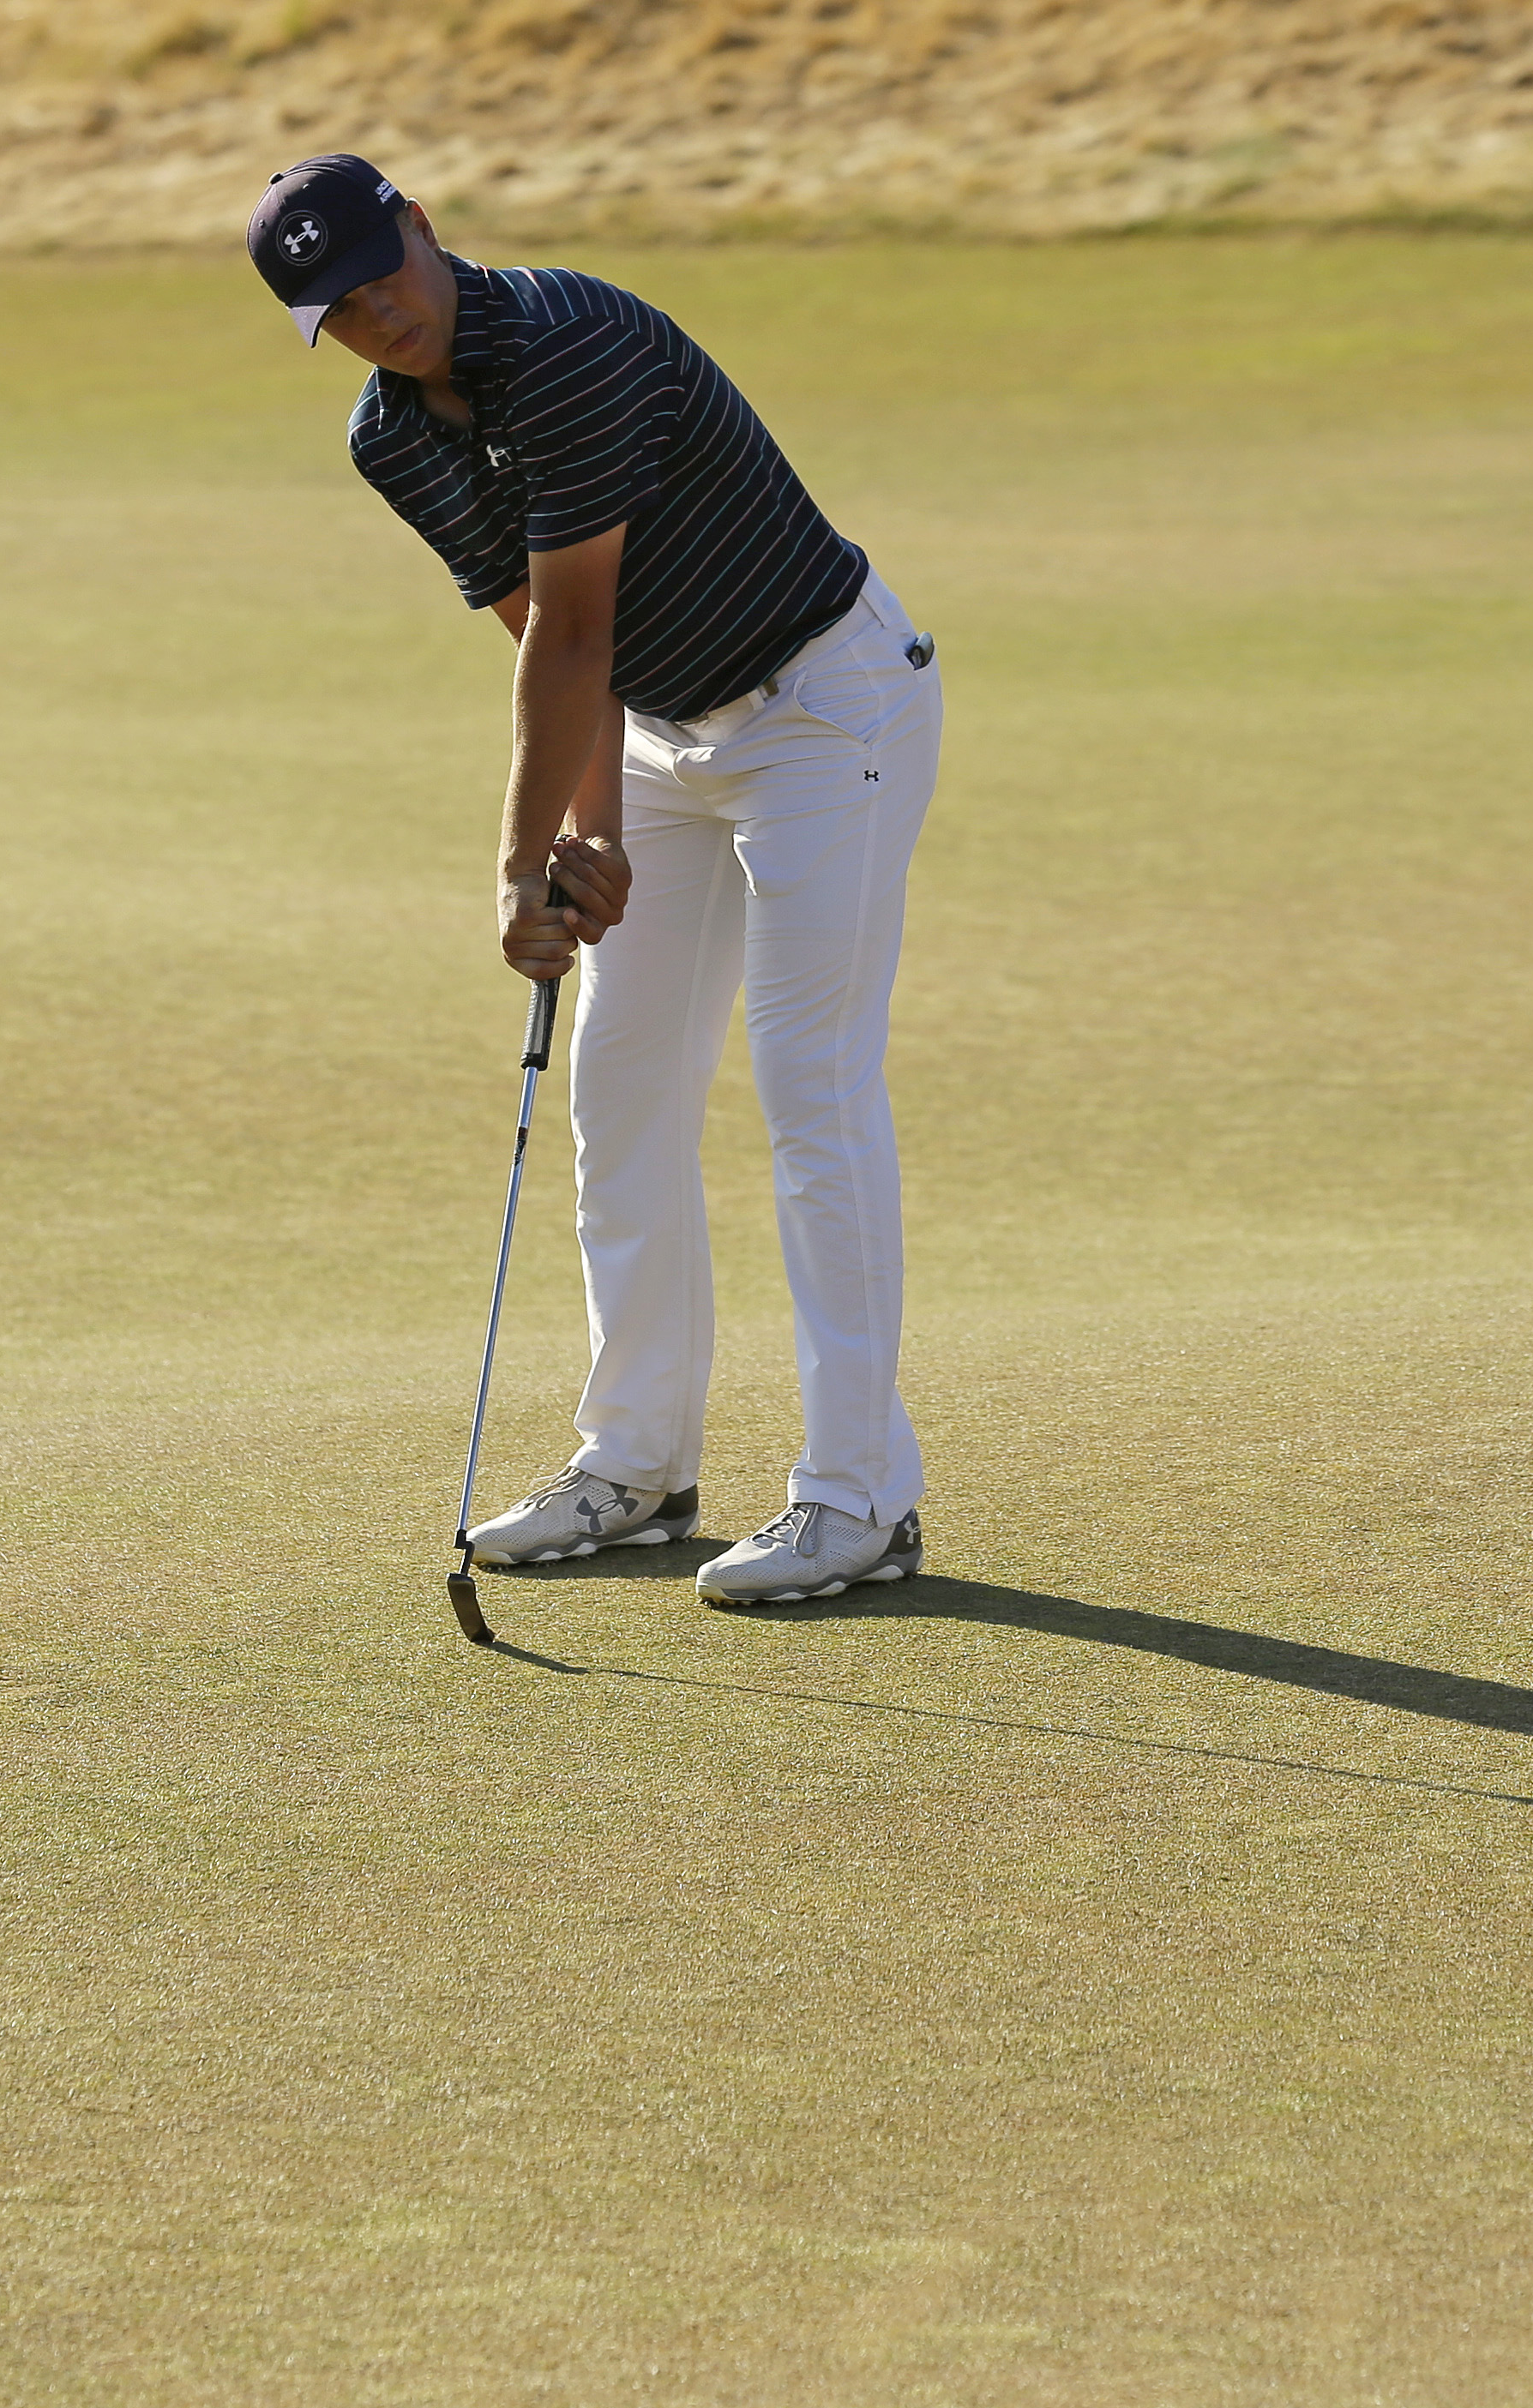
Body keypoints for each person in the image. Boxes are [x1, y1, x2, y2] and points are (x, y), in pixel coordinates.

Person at [248, 153, 937, 1607]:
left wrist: (521, 867)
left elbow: (573, 634)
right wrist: (594, 833)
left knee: (808, 1085)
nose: (378, 318)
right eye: (340, 311)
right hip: (662, 735)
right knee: (619, 1096)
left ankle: (860, 1495)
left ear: (424, 229)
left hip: (827, 705)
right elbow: (532, 633)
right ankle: (637, 1465)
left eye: (384, 278)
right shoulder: (393, 440)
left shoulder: (569, 344)